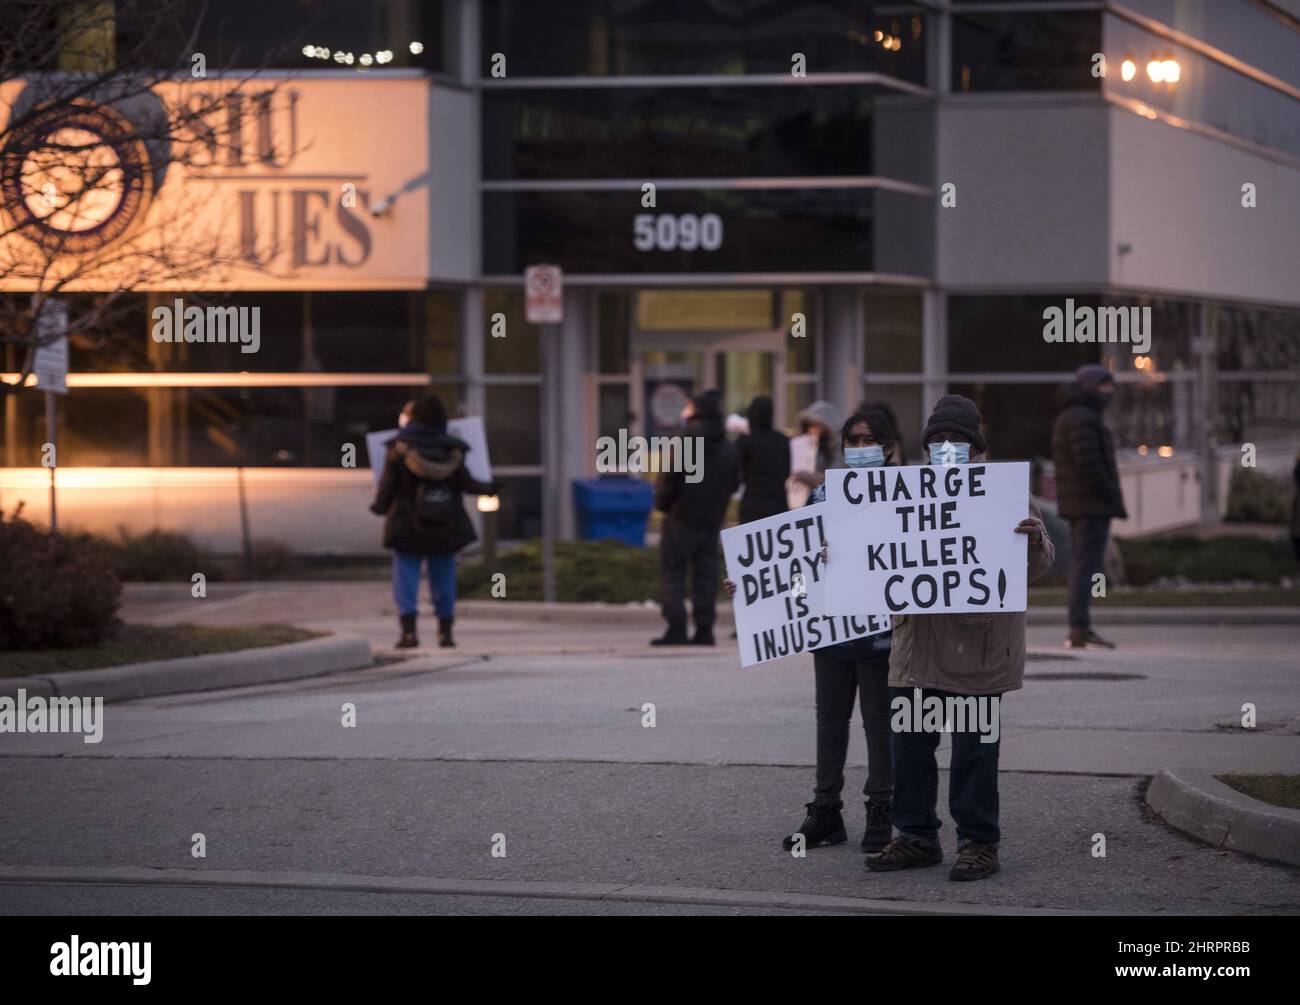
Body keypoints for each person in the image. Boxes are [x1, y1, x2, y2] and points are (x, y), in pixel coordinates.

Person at [865, 394, 1054, 882]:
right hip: (917, 650)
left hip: (980, 650)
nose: (946, 446)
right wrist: (838, 558)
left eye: (957, 439)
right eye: (938, 439)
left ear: (975, 445)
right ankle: (915, 836)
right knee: (908, 747)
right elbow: (871, 555)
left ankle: (978, 842)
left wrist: (1032, 539)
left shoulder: (1003, 491)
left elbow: (1038, 565)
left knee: (974, 752)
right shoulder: (905, 491)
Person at [725, 406, 901, 853]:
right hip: (832, 627)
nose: (859, 449)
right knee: (830, 723)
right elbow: (794, 552)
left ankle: (881, 808)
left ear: (890, 447)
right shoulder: (827, 495)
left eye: (868, 440)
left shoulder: (906, 495)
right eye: (852, 441)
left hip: (882, 630)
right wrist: (752, 583)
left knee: (879, 725)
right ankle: (826, 811)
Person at [370, 394, 497, 649]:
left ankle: (409, 632)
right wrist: (491, 488)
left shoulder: (398, 447)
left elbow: (388, 487)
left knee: (406, 578)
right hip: (445, 522)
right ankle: (445, 632)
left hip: (407, 523)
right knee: (444, 576)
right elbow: (467, 483)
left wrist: (380, 507)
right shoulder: (454, 448)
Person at [652, 389, 738, 647]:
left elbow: (671, 478)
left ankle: (676, 626)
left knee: (673, 571)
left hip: (682, 517)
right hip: (712, 520)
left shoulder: (687, 438)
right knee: (706, 575)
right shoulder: (727, 445)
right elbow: (734, 483)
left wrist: (663, 504)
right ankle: (704, 629)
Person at [1052, 364, 1127, 650]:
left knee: (1084, 565)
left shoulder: (1078, 415)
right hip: (1089, 506)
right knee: (1086, 566)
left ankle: (1080, 627)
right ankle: (1079, 627)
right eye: (1104, 386)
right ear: (1089, 387)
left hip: (1082, 504)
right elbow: (1089, 464)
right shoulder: (1082, 418)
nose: (1109, 392)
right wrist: (1107, 494)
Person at [736, 395, 790, 524]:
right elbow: (786, 471)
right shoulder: (781, 440)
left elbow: (740, 474)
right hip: (777, 502)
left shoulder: (745, 442)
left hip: (752, 503)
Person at [790, 400, 842, 493]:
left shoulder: (839, 447)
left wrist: (805, 476)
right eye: (809, 426)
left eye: (816, 426)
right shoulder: (815, 445)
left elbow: (834, 479)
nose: (812, 430)